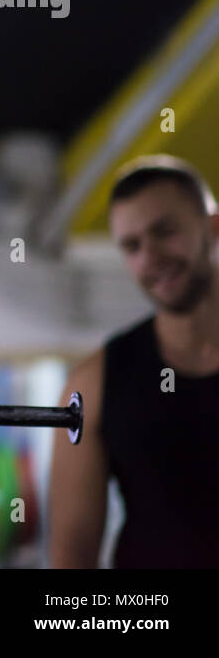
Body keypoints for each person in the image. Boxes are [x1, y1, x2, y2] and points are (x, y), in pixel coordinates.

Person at [48, 155, 219, 568]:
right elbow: (71, 558)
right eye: (132, 245)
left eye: (165, 231)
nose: (151, 257)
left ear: (212, 227)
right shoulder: (91, 385)